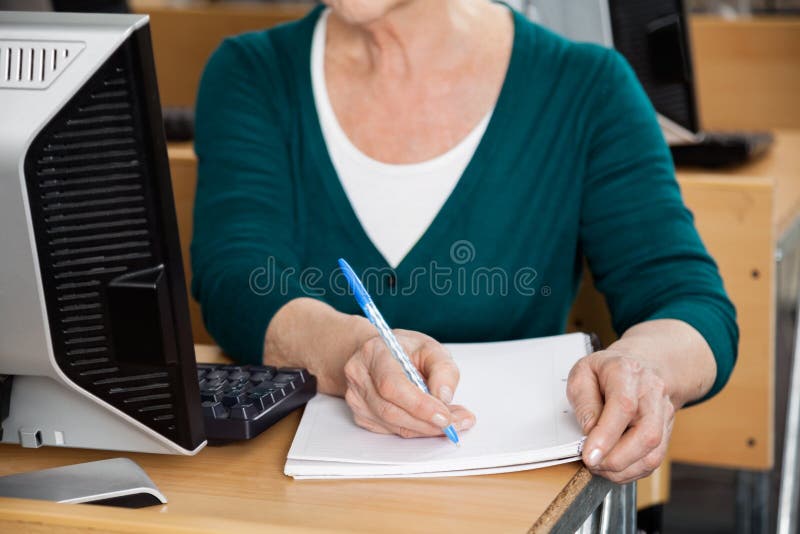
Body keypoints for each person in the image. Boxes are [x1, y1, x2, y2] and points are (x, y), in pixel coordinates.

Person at [192, 0, 738, 484]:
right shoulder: (250, 72)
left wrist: (641, 370)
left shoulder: (587, 85)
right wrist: (351, 353)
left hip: (512, 504)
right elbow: (237, 280)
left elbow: (689, 303)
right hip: (292, 504)